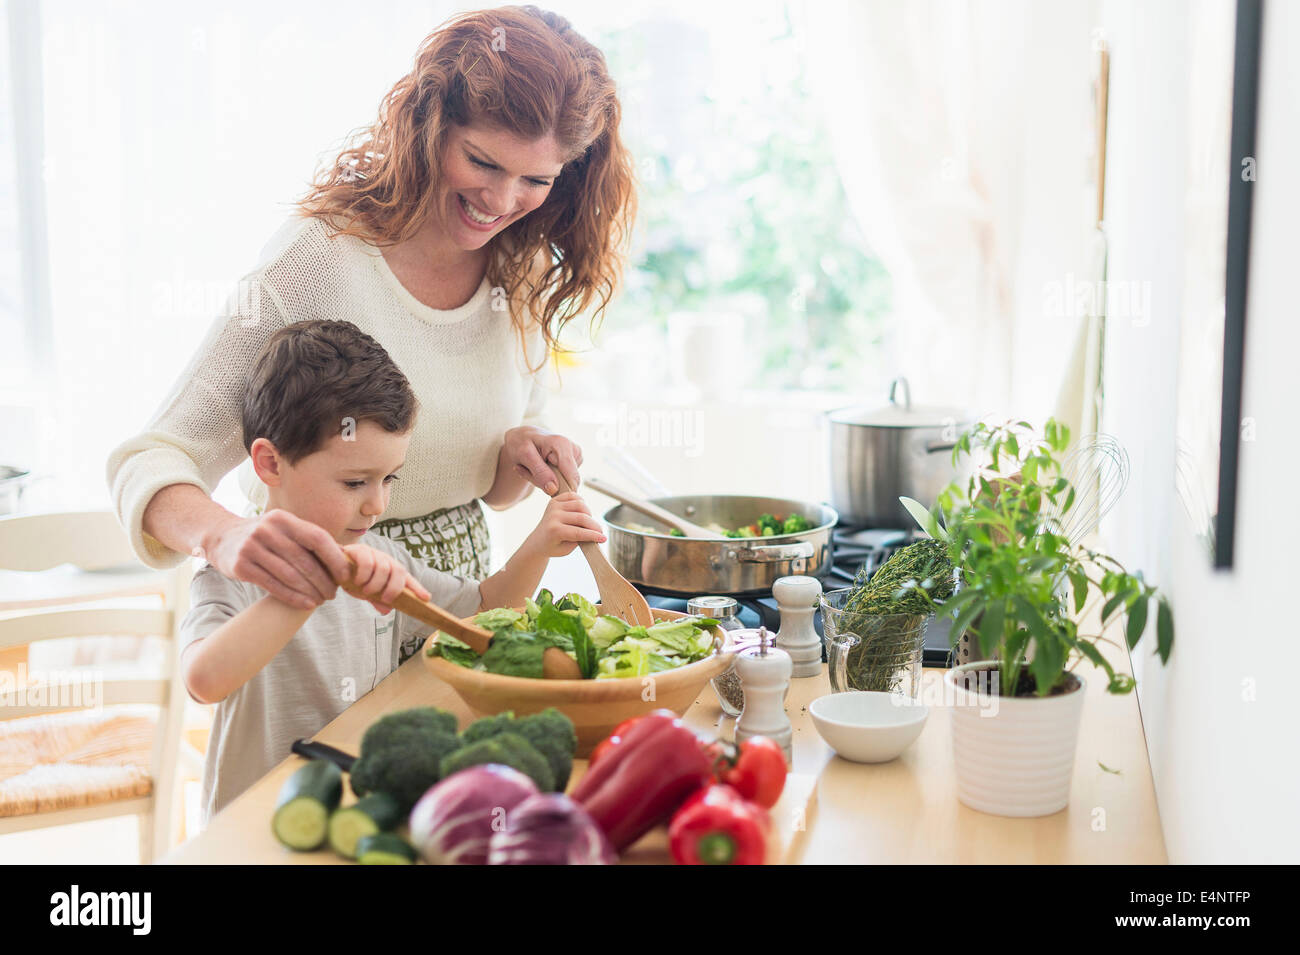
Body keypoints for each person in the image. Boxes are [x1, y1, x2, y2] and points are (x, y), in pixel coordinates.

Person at [105, 6, 635, 657]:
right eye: (483, 162)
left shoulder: (519, 269)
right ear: (430, 126)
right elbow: (150, 458)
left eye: (536, 180)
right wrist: (224, 536)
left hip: (462, 622)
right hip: (322, 621)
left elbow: (493, 490)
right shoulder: (319, 258)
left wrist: (522, 449)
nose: (502, 201)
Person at [181, 319, 605, 822]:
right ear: (270, 464)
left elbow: (484, 611)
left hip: (359, 811)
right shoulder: (230, 574)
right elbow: (204, 681)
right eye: (355, 481)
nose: (377, 504)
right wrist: (311, 586)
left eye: (389, 479)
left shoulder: (384, 558)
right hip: (254, 825)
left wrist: (540, 544)